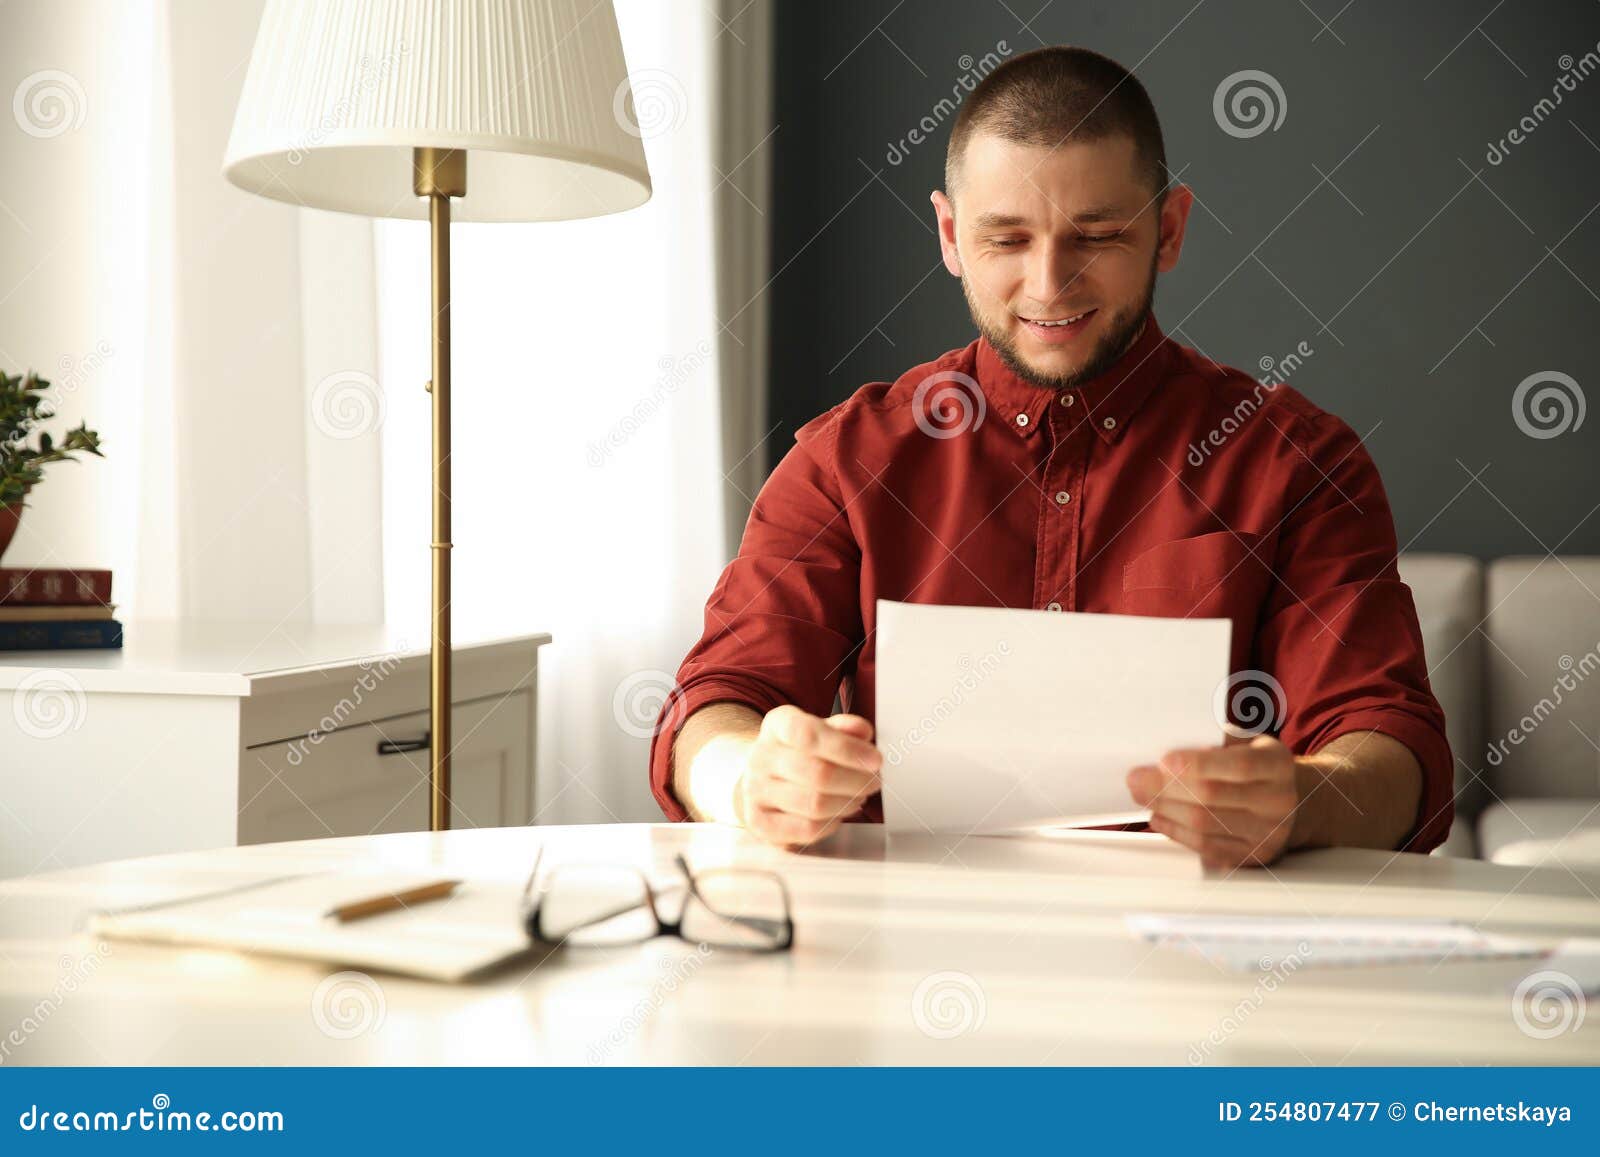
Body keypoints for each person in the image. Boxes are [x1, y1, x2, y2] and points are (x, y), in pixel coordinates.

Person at [648, 45, 1451, 869]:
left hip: (1195, 934)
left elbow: (1394, 747)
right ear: (951, 235)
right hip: (902, 930)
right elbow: (714, 703)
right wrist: (747, 777)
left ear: (1169, 229)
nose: (1049, 284)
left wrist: (1306, 799)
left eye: (1097, 235)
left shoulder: (1298, 461)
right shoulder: (847, 460)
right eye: (1006, 239)